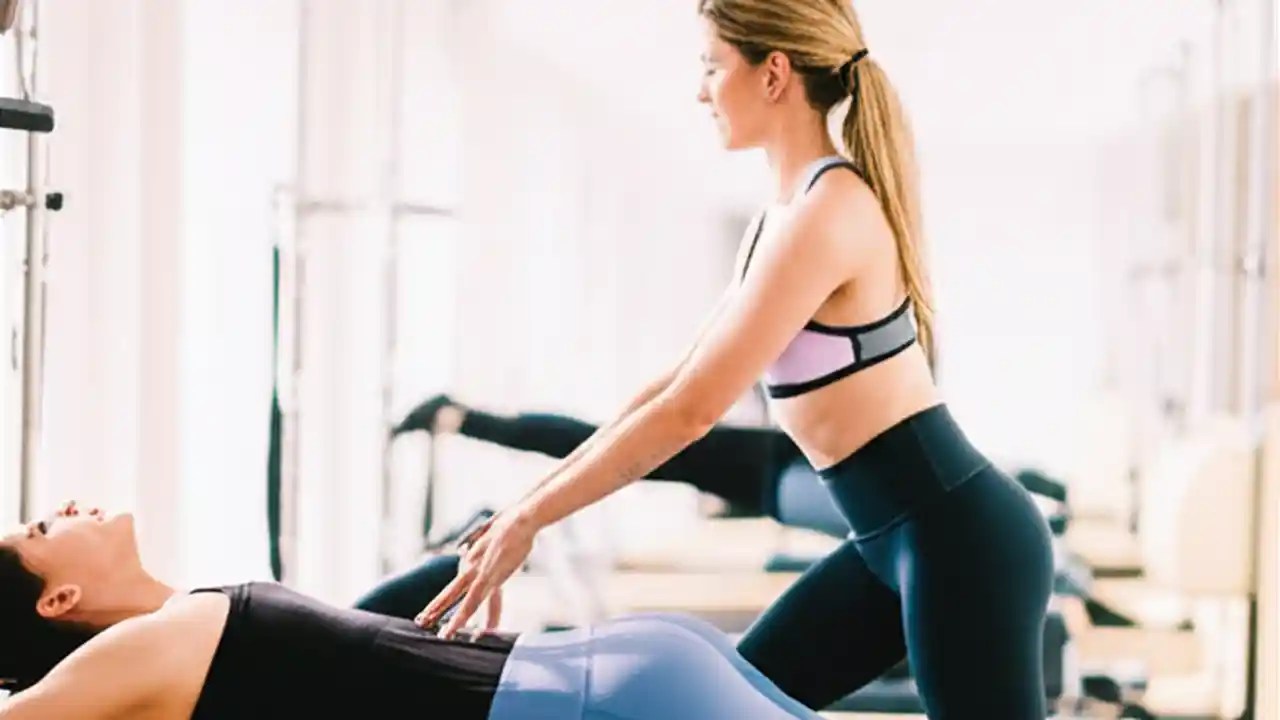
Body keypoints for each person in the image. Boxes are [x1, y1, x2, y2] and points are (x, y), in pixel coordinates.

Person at [414, 2, 1056, 718]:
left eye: (712, 66)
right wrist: (523, 512)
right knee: (718, 708)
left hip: (958, 538)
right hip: (891, 542)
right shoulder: (778, 219)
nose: (700, 90)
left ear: (773, 73)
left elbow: (692, 413)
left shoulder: (830, 211)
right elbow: (674, 384)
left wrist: (529, 523)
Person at [0, 502, 830, 719]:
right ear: (60, 598)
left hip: (610, 685)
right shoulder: (141, 650)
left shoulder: (186, 626)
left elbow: (357, 653)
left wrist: (453, 564)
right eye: (44, 528)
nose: (67, 507)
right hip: (604, 696)